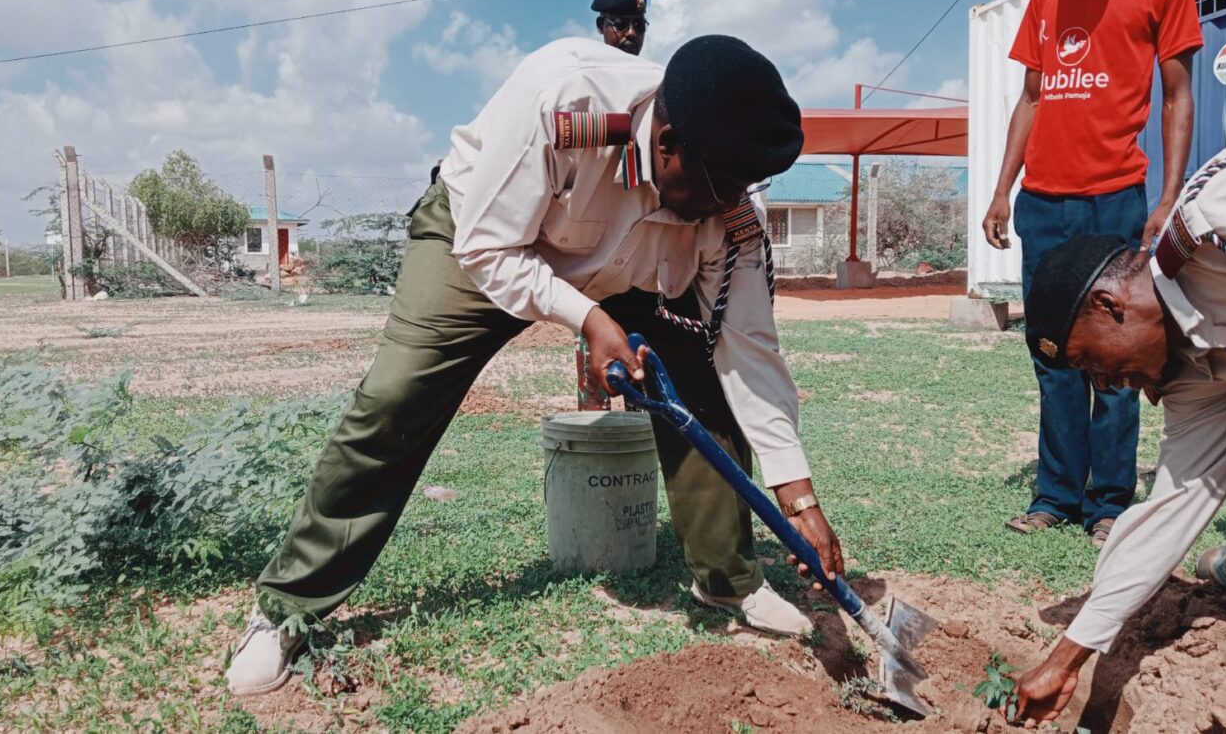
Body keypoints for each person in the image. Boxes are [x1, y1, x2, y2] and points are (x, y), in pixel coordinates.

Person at [224, 34, 848, 696]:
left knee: (703, 389)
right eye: (720, 189)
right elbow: (490, 249)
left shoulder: (728, 197)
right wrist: (588, 318)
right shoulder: (563, 100)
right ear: (667, 145)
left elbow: (749, 349)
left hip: (624, 269)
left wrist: (798, 497)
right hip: (482, 237)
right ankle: (286, 610)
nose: (729, 205)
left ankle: (727, 581)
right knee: (395, 400)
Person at [1009, 137, 1226, 727]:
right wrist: (1066, 658)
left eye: (1092, 363)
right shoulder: (1196, 377)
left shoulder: (1222, 218)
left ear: (1110, 305)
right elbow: (1171, 509)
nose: (1107, 384)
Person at [982, 0, 1202, 547]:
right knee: (1052, 352)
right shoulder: (1046, 0)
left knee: (1117, 356)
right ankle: (1055, 496)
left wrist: (1169, 197)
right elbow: (1031, 98)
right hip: (1042, 203)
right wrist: (1003, 190)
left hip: (1115, 199)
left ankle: (1109, 502)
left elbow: (1177, 94)